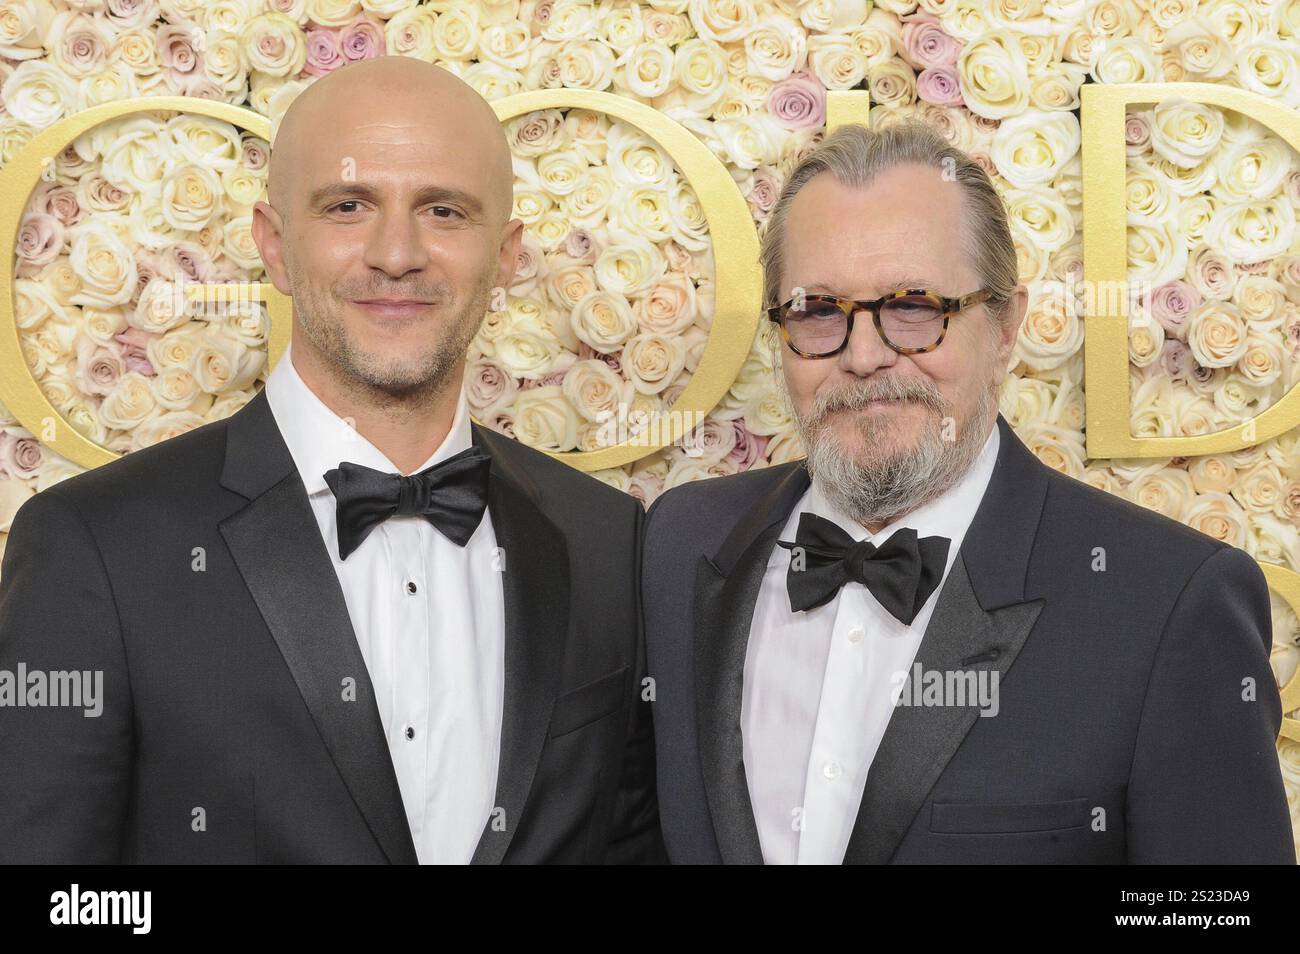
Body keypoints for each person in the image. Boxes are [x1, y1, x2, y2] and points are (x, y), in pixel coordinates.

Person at [0, 56, 662, 864]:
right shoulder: (96, 547)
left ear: (507, 253)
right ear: (275, 247)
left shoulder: (604, 538)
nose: (396, 253)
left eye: (444, 210)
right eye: (348, 206)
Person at [641, 119, 1295, 864]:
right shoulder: (679, 546)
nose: (864, 356)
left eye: (916, 308)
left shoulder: (1169, 603)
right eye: (819, 311)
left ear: (1007, 327)